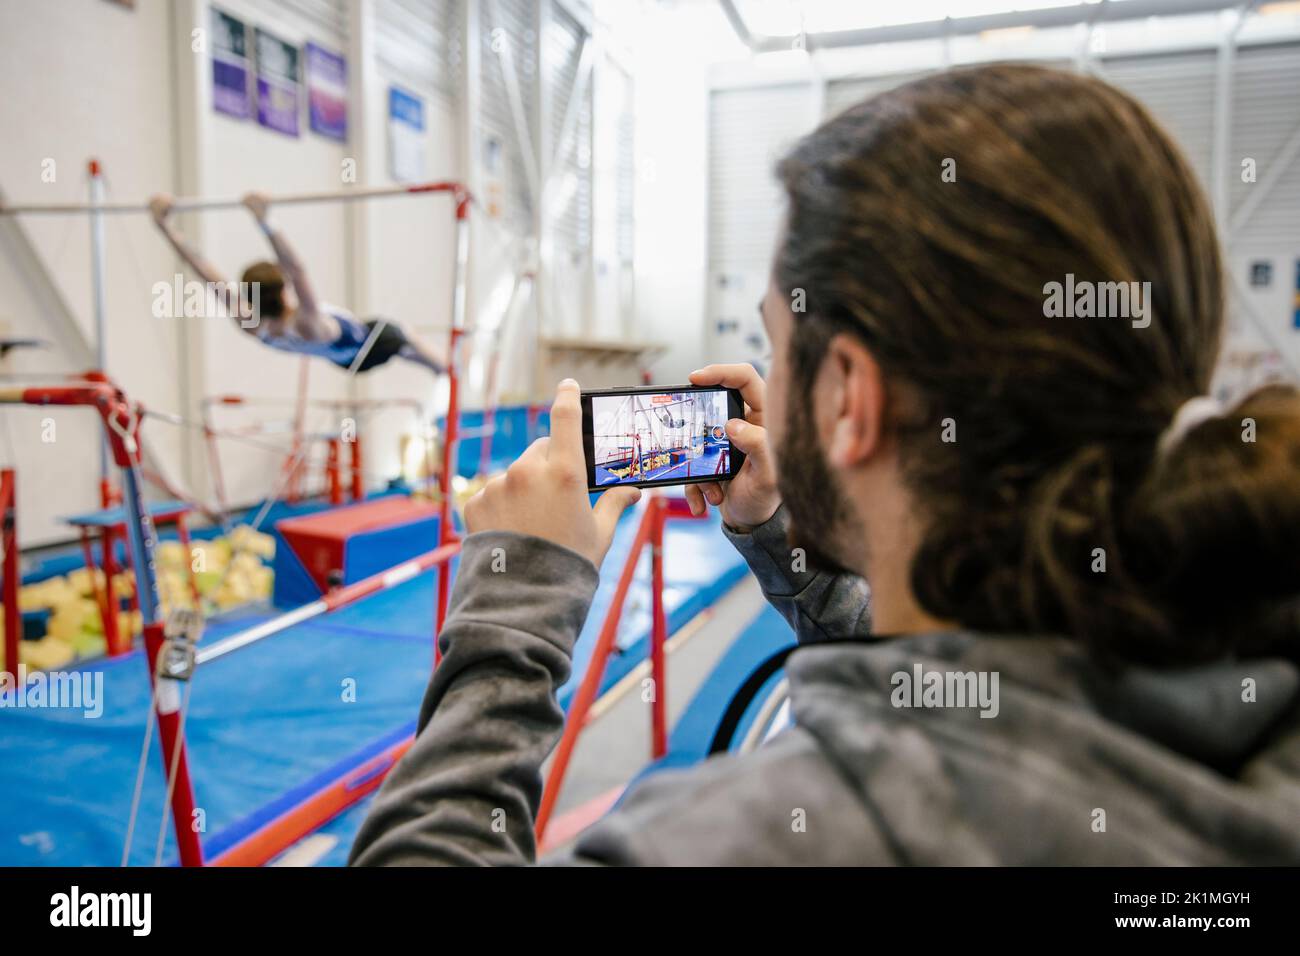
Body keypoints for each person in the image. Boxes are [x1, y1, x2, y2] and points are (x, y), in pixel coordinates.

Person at [348, 64, 1300, 865]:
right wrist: (781, 535)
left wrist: (511, 608)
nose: (768, 382)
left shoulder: (753, 841)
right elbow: (969, 703)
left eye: (780, 347)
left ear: (849, 395)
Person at [148, 192, 446, 375]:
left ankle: (432, 365)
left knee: (406, 348)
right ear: (282, 288)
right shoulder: (307, 322)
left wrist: (164, 226)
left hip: (341, 359)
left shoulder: (252, 324)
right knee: (406, 337)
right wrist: (265, 221)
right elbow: (298, 269)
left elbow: (203, 271)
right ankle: (446, 370)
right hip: (367, 345)